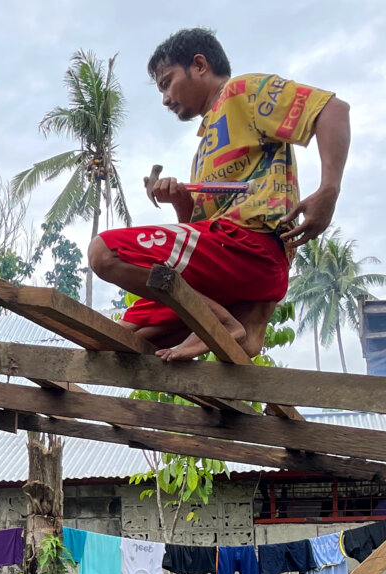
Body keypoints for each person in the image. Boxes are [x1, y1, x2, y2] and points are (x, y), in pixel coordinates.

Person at [88, 27, 350, 361]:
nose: (165, 98)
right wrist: (182, 204)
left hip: (252, 247)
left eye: (167, 82)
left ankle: (222, 321)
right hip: (239, 266)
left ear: (199, 65)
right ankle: (242, 325)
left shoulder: (242, 91)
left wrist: (329, 189)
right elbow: (202, 237)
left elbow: (332, 109)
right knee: (133, 330)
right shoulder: (203, 151)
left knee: (103, 251)